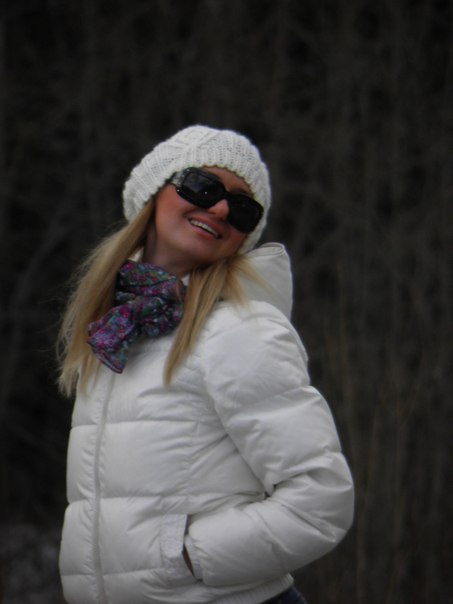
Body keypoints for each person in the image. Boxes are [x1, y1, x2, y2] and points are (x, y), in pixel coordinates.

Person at [57, 125, 354, 604]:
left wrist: (187, 558)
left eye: (242, 209)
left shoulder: (241, 330)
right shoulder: (116, 330)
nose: (219, 209)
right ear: (155, 192)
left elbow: (321, 500)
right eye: (202, 186)